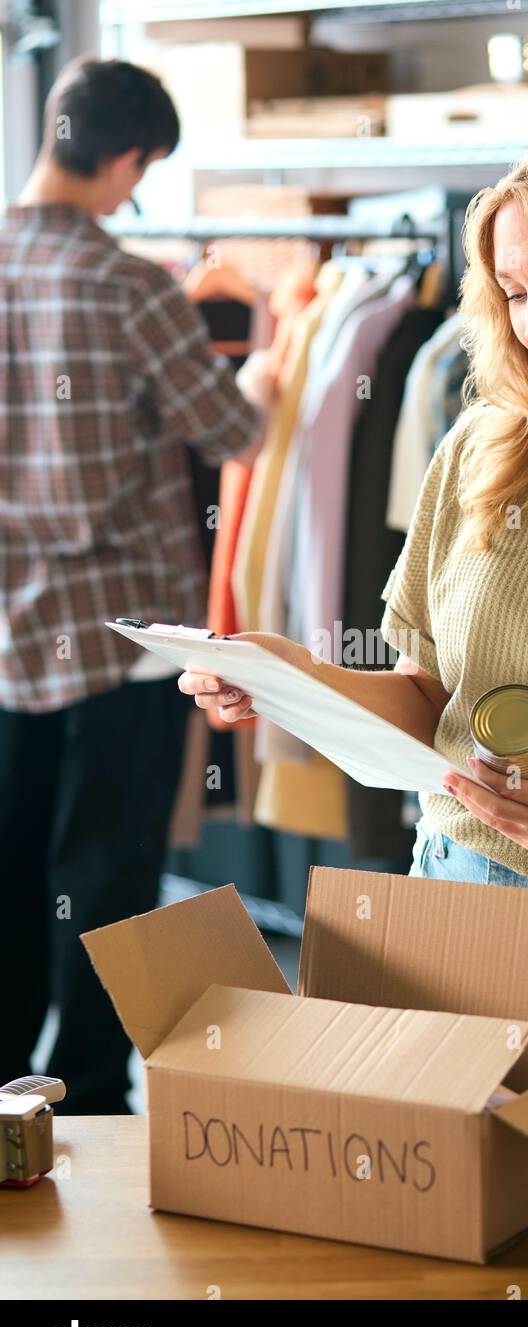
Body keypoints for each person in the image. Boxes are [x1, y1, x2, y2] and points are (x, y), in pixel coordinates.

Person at [179, 128, 528, 1101]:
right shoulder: (483, 447)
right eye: (514, 294)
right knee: (448, 1205)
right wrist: (288, 676)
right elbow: (431, 696)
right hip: (455, 883)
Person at [0, 58, 269, 1113]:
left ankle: (9, 1102)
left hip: (10, 644)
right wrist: (272, 371)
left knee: (14, 870)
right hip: (123, 637)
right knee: (109, 885)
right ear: (124, 159)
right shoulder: (130, 283)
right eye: (140, 174)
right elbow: (232, 428)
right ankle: (95, 1101)